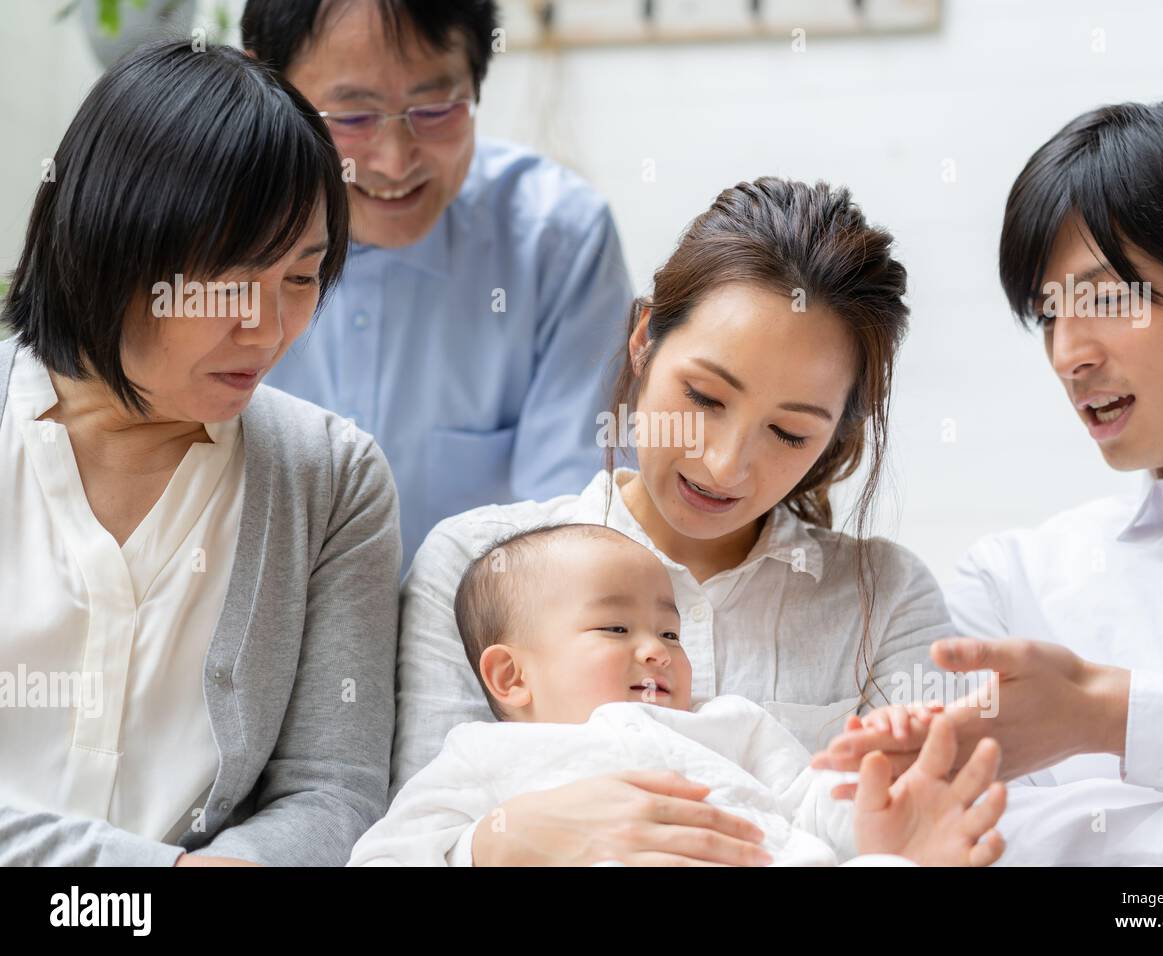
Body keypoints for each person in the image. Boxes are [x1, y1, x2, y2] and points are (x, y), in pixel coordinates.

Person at [395, 176, 957, 865]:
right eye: (703, 397)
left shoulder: (887, 597)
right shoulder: (482, 561)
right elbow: (400, 847)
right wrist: (504, 843)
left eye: (789, 434)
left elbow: (932, 834)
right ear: (642, 341)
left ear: (837, 435)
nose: (724, 465)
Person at [815, 100, 1163, 865]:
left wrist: (1107, 718)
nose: (1068, 354)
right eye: (1046, 313)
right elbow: (971, 830)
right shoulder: (1014, 585)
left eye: (1108, 298)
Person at [0, 41, 400, 866]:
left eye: (301, 278)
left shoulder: (332, 479)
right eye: (229, 280)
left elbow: (335, 788)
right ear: (111, 247)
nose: (268, 329)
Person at [350, 524, 1007, 867]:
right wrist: (487, 847)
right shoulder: (485, 756)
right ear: (511, 677)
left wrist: (871, 806)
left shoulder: (731, 725)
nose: (656, 649)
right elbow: (384, 858)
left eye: (669, 630)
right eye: (615, 629)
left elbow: (808, 803)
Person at [243, 0, 635, 569]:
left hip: (483, 645)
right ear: (264, 87)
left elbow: (569, 534)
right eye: (353, 117)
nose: (397, 161)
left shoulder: (559, 241)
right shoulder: (208, 242)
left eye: (435, 109)